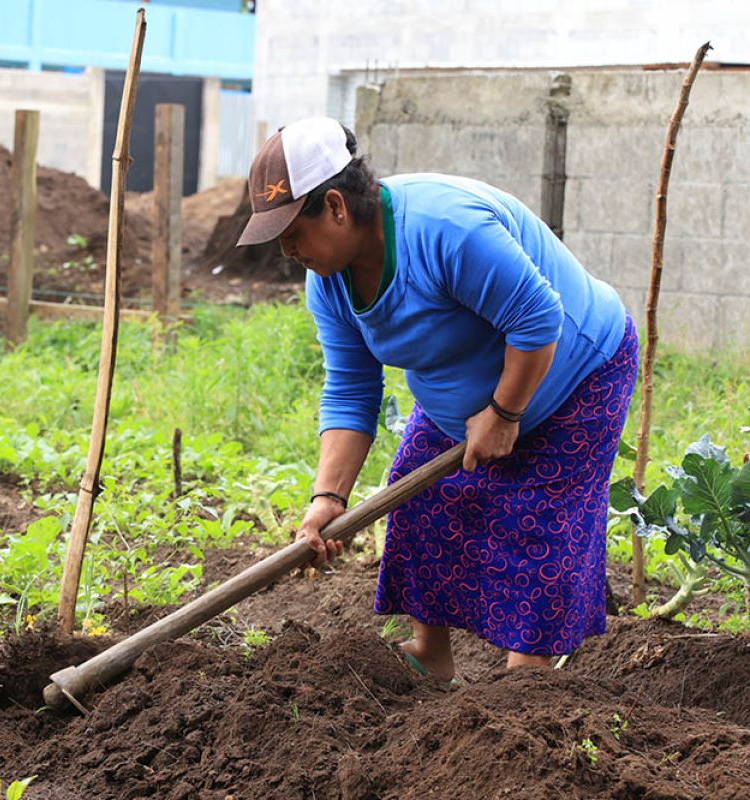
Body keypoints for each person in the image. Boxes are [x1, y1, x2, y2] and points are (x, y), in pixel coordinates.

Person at [237, 117, 637, 681]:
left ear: (334, 206)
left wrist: (503, 413)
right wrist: (328, 496)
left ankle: (528, 680)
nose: (285, 249)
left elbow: (538, 319)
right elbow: (352, 387)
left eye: (290, 231)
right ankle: (431, 657)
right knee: (418, 498)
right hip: (462, 394)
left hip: (577, 373)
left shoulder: (445, 227)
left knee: (539, 524)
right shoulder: (328, 278)